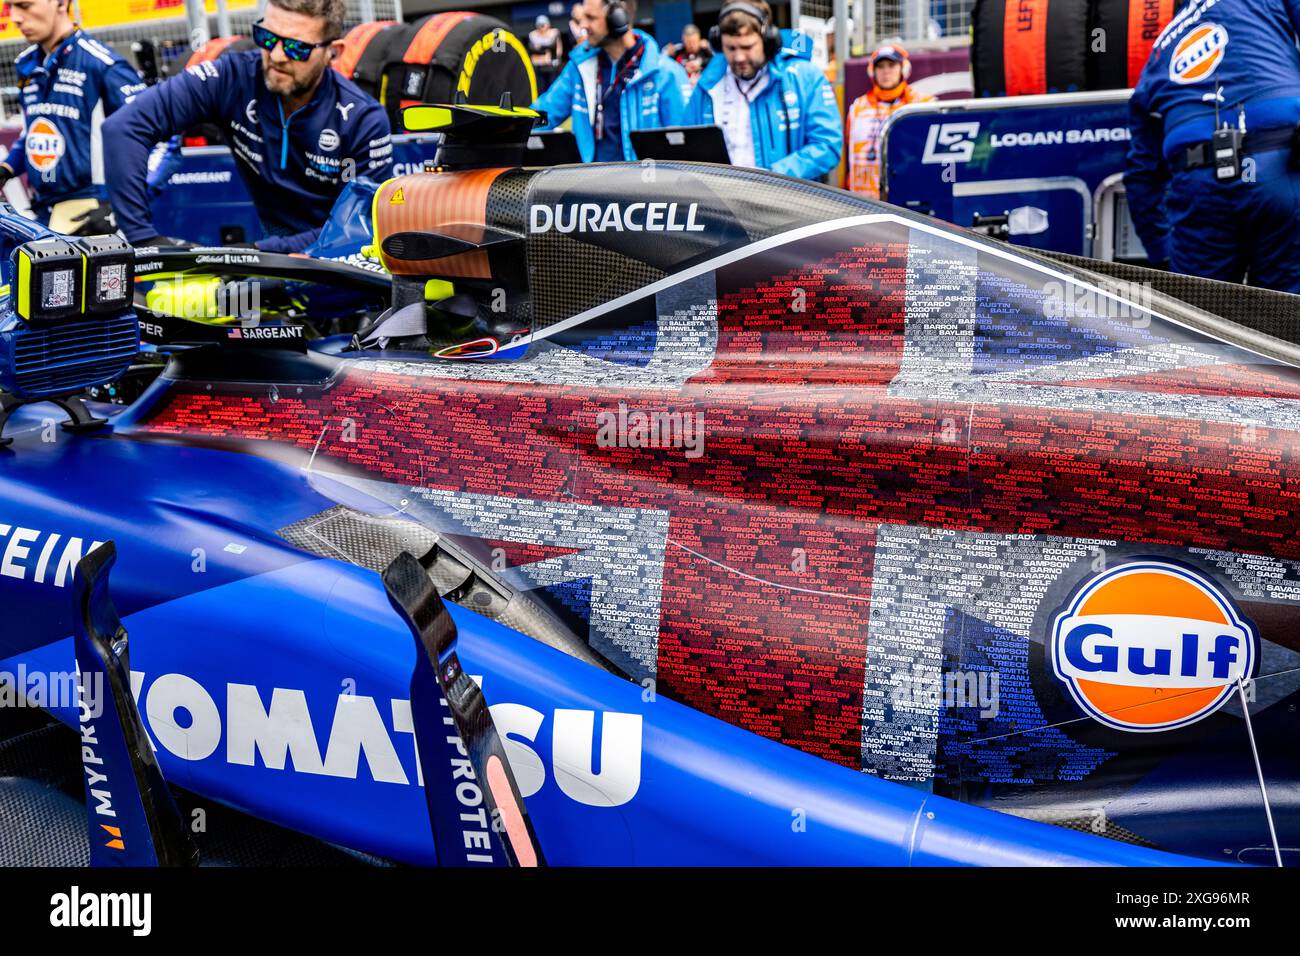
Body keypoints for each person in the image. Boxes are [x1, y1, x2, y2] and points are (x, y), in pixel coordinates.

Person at [103, 0, 392, 252]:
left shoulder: (363, 119)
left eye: (296, 47)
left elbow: (358, 230)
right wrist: (142, 239)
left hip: (336, 267)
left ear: (334, 52)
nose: (277, 56)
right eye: (266, 37)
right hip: (268, 255)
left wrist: (252, 254)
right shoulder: (233, 76)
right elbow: (123, 128)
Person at [1125, 0, 1300, 291]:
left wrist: (1163, 257)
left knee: (1202, 320)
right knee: (1287, 319)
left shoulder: (1156, 55)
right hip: (1281, 167)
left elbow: (1141, 177)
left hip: (1199, 184)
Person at [0, 0, 146, 234]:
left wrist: (119, 207)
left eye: (24, 6)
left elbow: (160, 143)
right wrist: (7, 169)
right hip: (44, 213)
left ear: (61, 3)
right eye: (10, 7)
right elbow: (34, 132)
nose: (15, 17)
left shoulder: (102, 64)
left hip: (93, 213)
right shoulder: (26, 65)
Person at [683, 0, 842, 180]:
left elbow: (827, 145)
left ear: (768, 40)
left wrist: (773, 178)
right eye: (731, 48)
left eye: (747, 47)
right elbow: (687, 143)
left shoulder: (804, 76)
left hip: (784, 201)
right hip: (722, 202)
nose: (739, 57)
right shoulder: (708, 85)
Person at [531, 0, 686, 162]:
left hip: (644, 184)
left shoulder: (667, 73)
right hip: (592, 183)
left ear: (619, 17)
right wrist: (509, 127)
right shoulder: (579, 68)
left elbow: (683, 150)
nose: (583, 25)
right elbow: (544, 114)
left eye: (590, 17)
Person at [846, 44, 930, 198]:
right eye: (880, 66)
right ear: (873, 71)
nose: (886, 71)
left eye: (891, 65)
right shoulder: (858, 107)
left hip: (908, 197)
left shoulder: (922, 104)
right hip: (864, 201)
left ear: (903, 69)